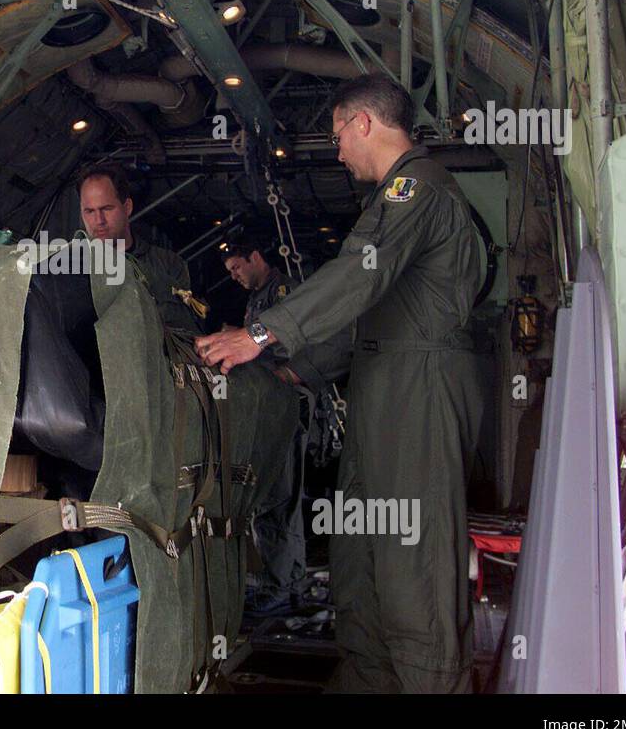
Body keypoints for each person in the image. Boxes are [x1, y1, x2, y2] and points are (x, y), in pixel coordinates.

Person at [196, 74, 486, 692]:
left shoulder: (418, 187)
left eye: (337, 136)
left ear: (364, 123)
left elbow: (357, 280)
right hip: (382, 392)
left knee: (415, 568)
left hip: (420, 393)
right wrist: (289, 369)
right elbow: (366, 323)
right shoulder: (388, 201)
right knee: (360, 562)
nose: (337, 151)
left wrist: (263, 333)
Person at [221, 244, 352, 617]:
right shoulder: (259, 299)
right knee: (268, 498)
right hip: (270, 407)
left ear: (256, 257)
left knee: (280, 499)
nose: (234, 275)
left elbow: (322, 341)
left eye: (236, 266)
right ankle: (275, 582)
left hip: (288, 405)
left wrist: (283, 366)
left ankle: (284, 587)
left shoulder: (288, 294)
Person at [77, 163, 199, 330]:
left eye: (107, 208)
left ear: (127, 207)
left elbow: (187, 328)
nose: (99, 220)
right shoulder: (73, 269)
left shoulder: (168, 264)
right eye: (89, 211)